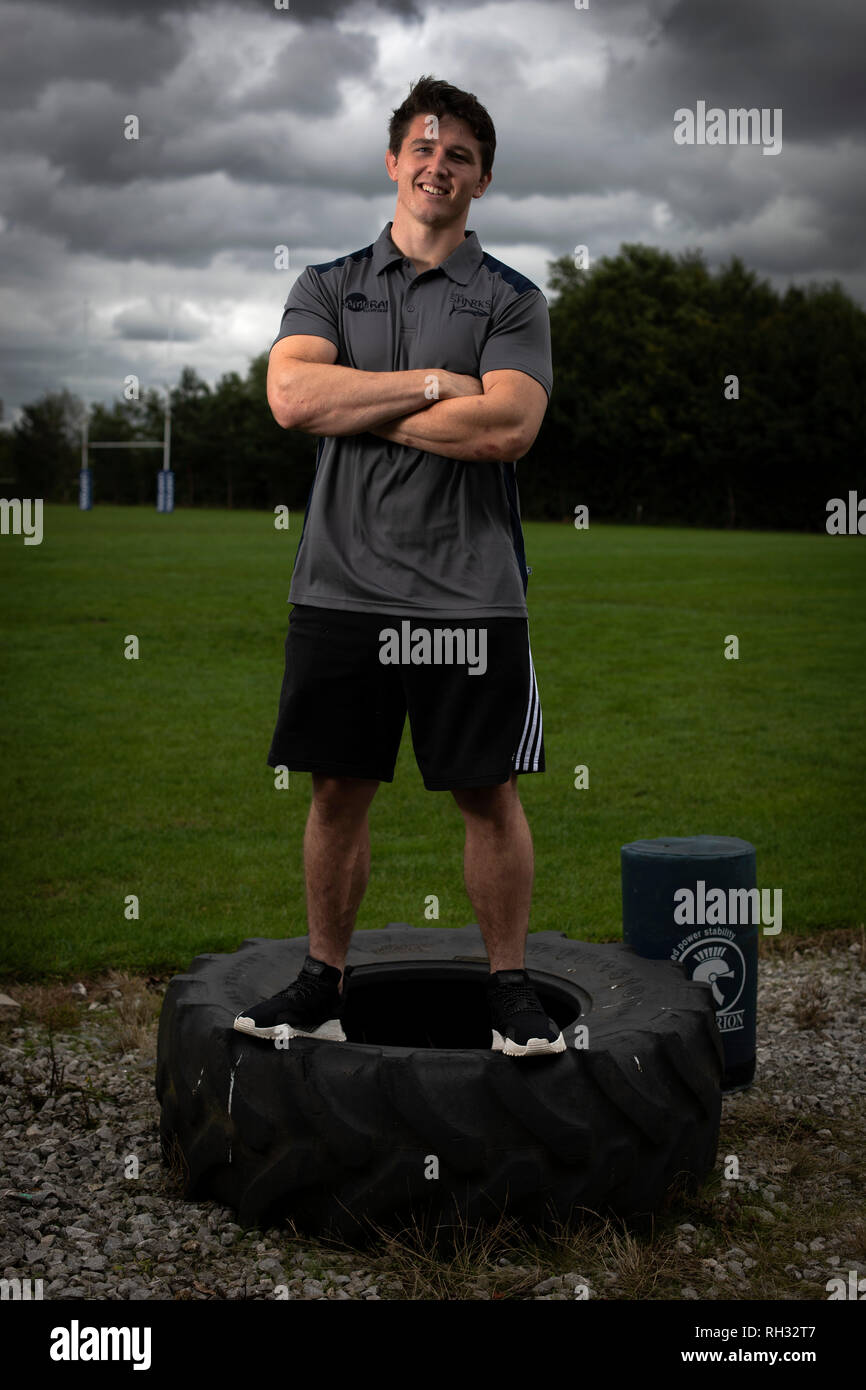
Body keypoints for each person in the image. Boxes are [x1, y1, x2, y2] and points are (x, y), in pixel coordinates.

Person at [234, 75, 564, 1057]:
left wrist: (360, 401)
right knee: (336, 791)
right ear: (392, 162)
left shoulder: (511, 298)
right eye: (422, 149)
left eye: (457, 154)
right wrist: (428, 386)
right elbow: (292, 400)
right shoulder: (327, 286)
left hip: (471, 593)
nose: (437, 165)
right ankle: (322, 981)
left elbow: (506, 423)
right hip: (339, 588)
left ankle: (507, 989)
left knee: (485, 792)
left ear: (482, 178)